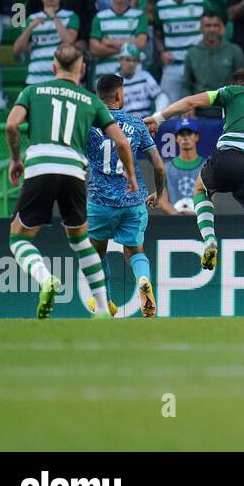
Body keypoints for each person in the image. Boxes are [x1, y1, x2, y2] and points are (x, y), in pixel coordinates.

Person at [145, 70, 244, 316]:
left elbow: (191, 102)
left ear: (237, 85)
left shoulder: (233, 92)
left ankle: (210, 239)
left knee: (200, 188)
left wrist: (158, 118)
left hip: (230, 154)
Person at [4, 44, 136, 319]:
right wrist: (131, 174)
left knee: (18, 237)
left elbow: (11, 125)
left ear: (54, 67)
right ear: (83, 69)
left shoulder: (33, 91)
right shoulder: (91, 101)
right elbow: (121, 141)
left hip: (41, 167)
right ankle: (101, 309)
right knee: (80, 240)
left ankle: (45, 279)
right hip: (74, 173)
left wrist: (16, 159)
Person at [83, 74, 165, 318]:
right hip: (134, 200)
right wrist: (159, 194)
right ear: (119, 95)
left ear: (98, 97)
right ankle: (142, 279)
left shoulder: (87, 123)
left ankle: (105, 301)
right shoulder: (136, 124)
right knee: (135, 253)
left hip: (100, 203)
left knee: (97, 253)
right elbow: (159, 166)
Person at [183, 12, 244, 102]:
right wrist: (189, 105)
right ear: (200, 29)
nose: (212, 29)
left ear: (221, 28)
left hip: (228, 107)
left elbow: (243, 82)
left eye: (216, 25)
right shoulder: (192, 52)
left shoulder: (234, 51)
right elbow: (186, 85)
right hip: (200, 108)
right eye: (208, 26)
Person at [158, 117, 203, 213]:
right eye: (182, 134)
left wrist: (197, 215)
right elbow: (161, 200)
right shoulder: (166, 168)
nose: (185, 138)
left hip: (200, 220)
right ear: (176, 138)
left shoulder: (206, 167)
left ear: (197, 137)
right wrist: (178, 217)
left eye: (189, 134)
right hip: (174, 224)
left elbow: (210, 197)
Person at [115, 44, 166, 119]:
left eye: (134, 60)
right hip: (125, 124)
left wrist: (156, 117)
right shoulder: (113, 82)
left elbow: (161, 97)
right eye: (128, 60)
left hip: (146, 121)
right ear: (120, 61)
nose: (131, 64)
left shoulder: (145, 76)